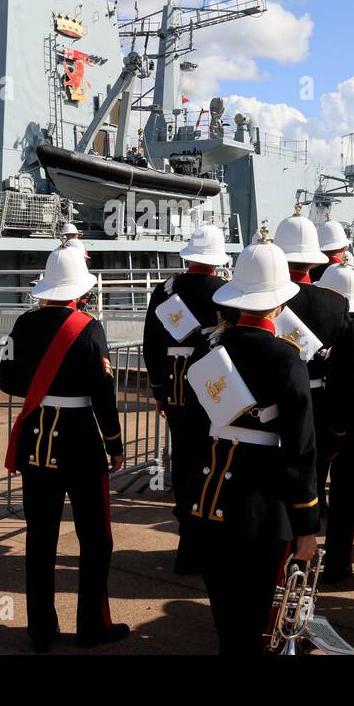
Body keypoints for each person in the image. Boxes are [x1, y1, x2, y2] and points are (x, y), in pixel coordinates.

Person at [185, 231, 319, 654]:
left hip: (208, 497)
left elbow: (189, 432)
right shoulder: (286, 357)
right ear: (279, 303)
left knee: (225, 612)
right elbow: (300, 449)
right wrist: (307, 525)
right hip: (260, 504)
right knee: (256, 616)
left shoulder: (206, 348)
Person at [0, 241, 129, 653]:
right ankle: (91, 626)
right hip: (80, 442)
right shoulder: (88, 327)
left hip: (37, 440)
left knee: (40, 539)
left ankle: (41, 630)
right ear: (79, 290)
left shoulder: (23, 324)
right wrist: (114, 442)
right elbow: (103, 392)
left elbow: (7, 380)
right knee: (96, 540)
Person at [141, 224, 231, 574]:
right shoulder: (226, 291)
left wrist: (160, 391)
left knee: (183, 464)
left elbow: (151, 344)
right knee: (212, 464)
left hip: (176, 388)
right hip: (214, 389)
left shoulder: (165, 291)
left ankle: (186, 544)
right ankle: (205, 542)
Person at [276, 205, 354, 515]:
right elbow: (343, 372)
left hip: (268, 403)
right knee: (314, 472)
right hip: (318, 402)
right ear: (313, 259)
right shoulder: (335, 302)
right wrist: (339, 424)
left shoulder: (260, 301)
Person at [315, 262, 354, 582]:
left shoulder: (310, 325)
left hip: (317, 413)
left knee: (310, 488)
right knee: (347, 491)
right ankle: (339, 562)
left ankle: (302, 555)